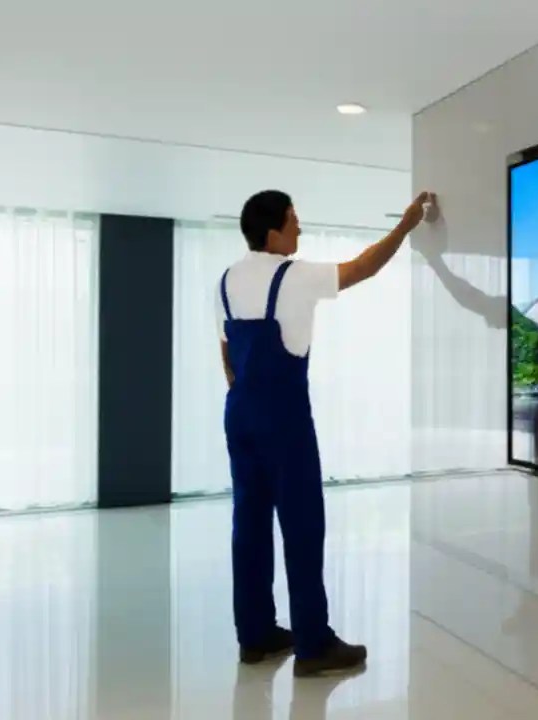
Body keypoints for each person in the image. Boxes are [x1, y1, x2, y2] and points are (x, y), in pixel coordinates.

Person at [217, 189, 436, 675]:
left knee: (248, 526)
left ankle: (255, 636)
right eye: (294, 219)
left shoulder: (226, 281)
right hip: (283, 416)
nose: (300, 228)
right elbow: (363, 268)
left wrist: (247, 399)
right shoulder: (295, 275)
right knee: (302, 526)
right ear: (272, 230)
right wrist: (405, 225)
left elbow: (227, 355)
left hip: (240, 412)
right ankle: (313, 645)